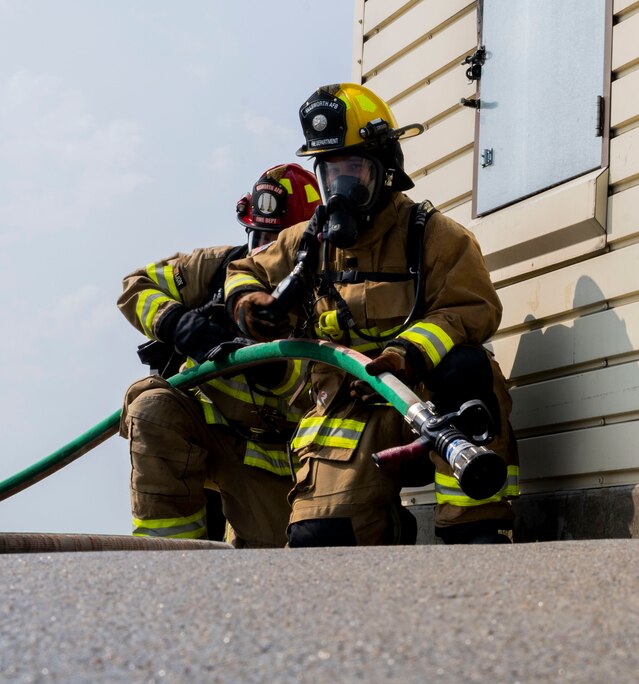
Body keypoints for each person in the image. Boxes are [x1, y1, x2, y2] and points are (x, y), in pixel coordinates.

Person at [223, 82, 519, 547]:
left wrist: (408, 353)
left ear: (386, 169)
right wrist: (247, 303)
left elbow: (473, 308)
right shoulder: (305, 242)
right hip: (347, 404)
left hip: (422, 397)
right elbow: (242, 269)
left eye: (354, 169)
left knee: (467, 370)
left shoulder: (434, 236)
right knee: (320, 539)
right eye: (330, 172)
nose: (340, 187)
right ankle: (387, 530)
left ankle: (474, 526)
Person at [115, 163, 321, 546]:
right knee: (152, 408)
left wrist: (274, 369)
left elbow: (330, 386)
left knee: (279, 563)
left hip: (282, 455)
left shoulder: (322, 295)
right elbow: (135, 287)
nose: (262, 255)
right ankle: (171, 562)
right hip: (211, 434)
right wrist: (180, 324)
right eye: (259, 238)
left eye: (276, 244)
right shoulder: (218, 267)